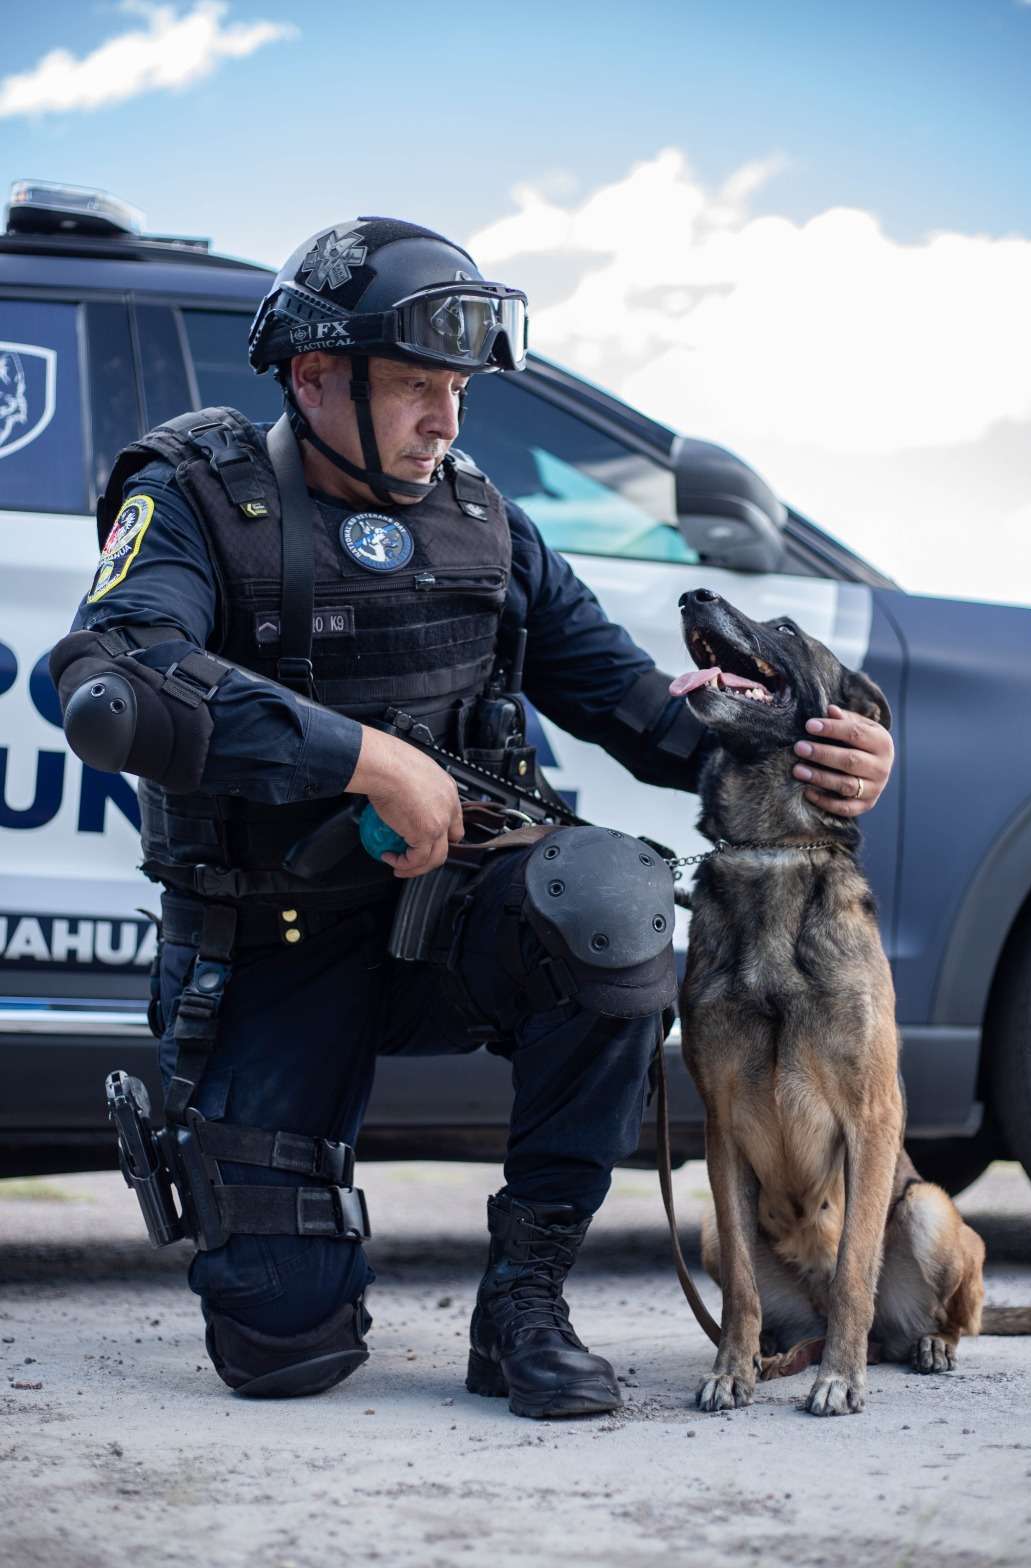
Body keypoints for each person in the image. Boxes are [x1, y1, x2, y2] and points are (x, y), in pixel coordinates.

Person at [50, 217, 894, 1414]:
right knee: (284, 1349)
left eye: (454, 389)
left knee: (613, 902)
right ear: (312, 377)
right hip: (270, 945)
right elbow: (111, 678)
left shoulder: (485, 524)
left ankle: (523, 1308)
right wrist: (363, 757)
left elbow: (648, 717)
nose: (445, 419)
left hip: (443, 925)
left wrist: (840, 749)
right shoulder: (197, 495)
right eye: (411, 387)